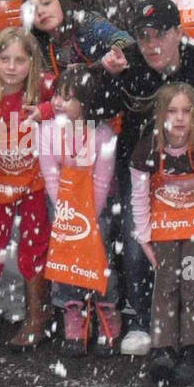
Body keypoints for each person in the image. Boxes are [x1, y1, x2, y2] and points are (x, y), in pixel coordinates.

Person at [99, 0, 194, 355]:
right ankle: (141, 320)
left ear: (179, 33)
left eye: (160, 35)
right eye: (144, 36)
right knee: (135, 237)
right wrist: (107, 77)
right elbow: (99, 107)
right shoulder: (129, 64)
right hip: (142, 173)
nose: (152, 45)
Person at [0, 27, 53, 353]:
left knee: (35, 246)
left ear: (32, 63)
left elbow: (71, 98)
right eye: (5, 59)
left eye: (19, 60)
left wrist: (44, 111)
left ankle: (36, 317)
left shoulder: (41, 91)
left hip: (31, 183)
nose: (12, 67)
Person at [131, 83, 194, 386]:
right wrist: (144, 234)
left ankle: (192, 350)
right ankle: (163, 348)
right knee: (166, 282)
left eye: (186, 111)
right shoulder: (147, 148)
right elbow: (140, 195)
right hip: (164, 223)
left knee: (193, 283)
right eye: (172, 111)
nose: (179, 118)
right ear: (161, 115)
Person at [40, 65, 121, 355]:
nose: (59, 103)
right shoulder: (47, 132)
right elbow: (49, 171)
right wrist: (64, 208)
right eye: (57, 96)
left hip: (96, 205)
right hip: (61, 202)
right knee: (65, 255)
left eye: (68, 98)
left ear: (86, 104)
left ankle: (106, 308)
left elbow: (102, 177)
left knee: (100, 253)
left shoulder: (102, 135)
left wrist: (90, 212)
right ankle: (72, 310)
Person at [26, 0, 133, 93]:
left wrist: (91, 69)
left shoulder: (88, 21)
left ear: (61, 2)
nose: (40, 11)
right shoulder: (39, 45)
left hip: (116, 92)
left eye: (46, 3)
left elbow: (128, 44)